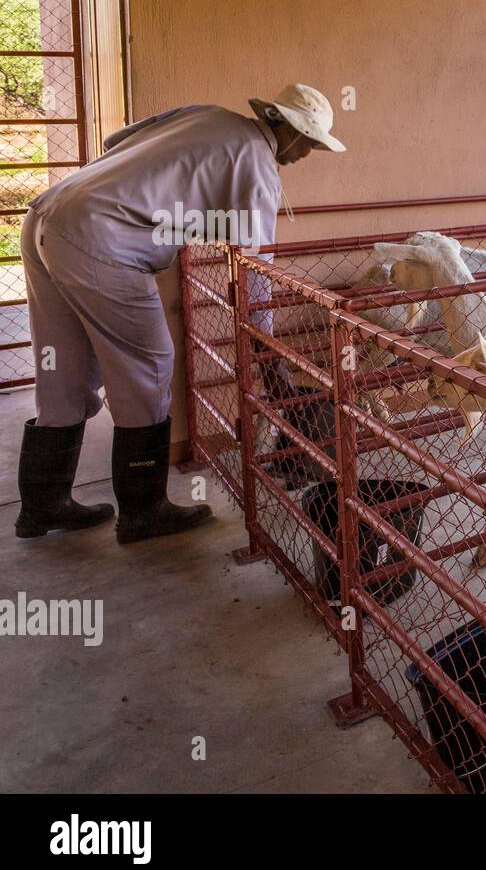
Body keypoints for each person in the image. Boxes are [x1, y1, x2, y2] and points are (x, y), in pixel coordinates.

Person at [16, 83, 345, 543]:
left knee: (64, 369)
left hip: (49, 216)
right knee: (149, 367)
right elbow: (254, 267)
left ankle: (41, 506)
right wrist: (265, 348)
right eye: (309, 141)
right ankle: (143, 511)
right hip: (99, 240)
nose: (307, 152)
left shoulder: (206, 113)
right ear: (288, 129)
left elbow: (117, 143)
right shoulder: (257, 165)